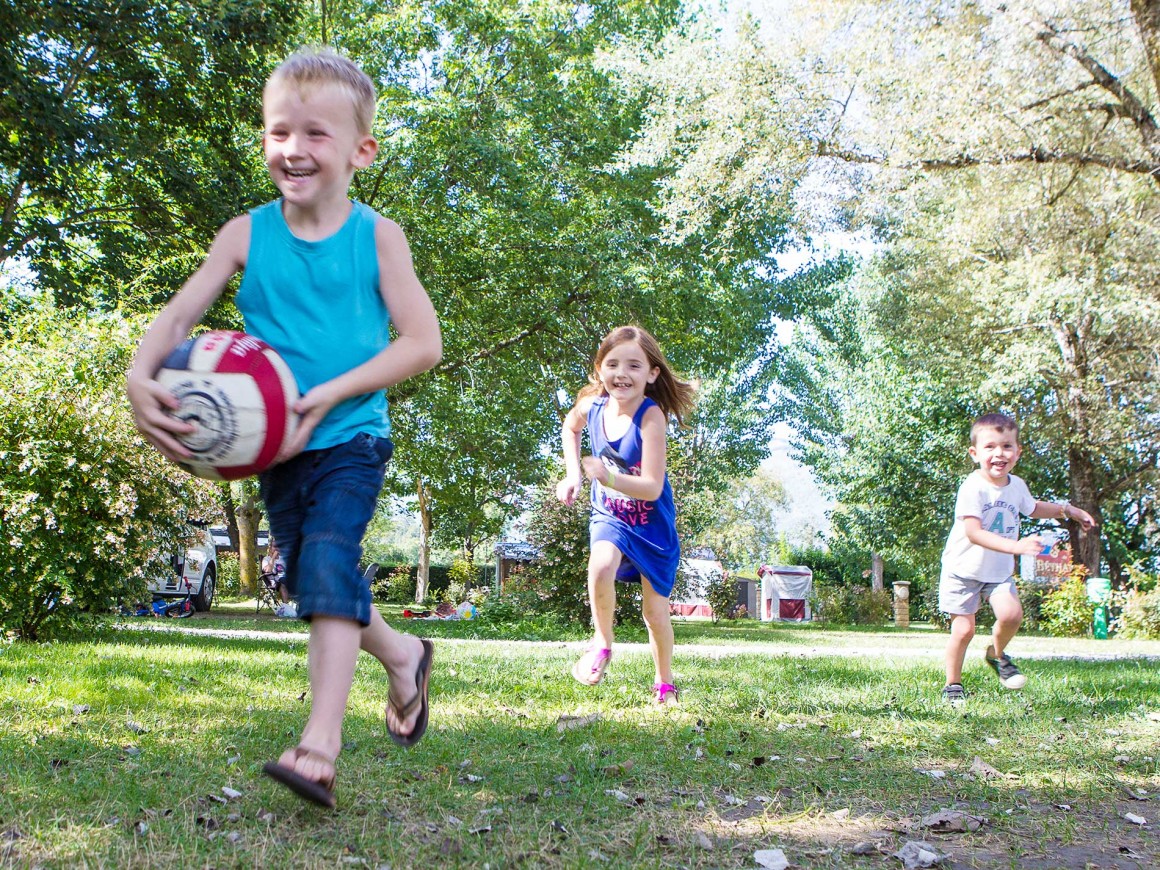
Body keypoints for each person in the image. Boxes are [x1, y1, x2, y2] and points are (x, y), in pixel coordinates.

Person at [126, 47, 442, 807]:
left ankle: (319, 745)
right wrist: (141, 373)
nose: (293, 149)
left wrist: (324, 396)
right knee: (311, 579)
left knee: (329, 558)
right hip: (276, 449)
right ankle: (404, 656)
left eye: (315, 133)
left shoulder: (378, 236)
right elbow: (179, 314)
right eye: (278, 132)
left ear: (362, 151)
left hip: (351, 434)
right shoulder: (244, 234)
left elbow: (422, 343)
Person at [556, 326, 696, 705]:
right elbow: (570, 427)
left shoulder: (651, 418)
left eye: (634, 365)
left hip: (652, 527)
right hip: (612, 516)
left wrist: (608, 477)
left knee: (655, 613)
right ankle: (601, 644)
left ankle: (664, 683)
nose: (622, 373)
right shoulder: (592, 407)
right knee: (600, 565)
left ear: (652, 373)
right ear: (599, 369)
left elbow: (651, 486)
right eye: (613, 364)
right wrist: (573, 474)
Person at [939, 413, 1096, 703]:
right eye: (990, 447)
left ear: (1018, 452)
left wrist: (1069, 510)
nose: (999, 453)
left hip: (997, 572)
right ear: (974, 453)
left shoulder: (1016, 485)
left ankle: (997, 655)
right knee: (963, 630)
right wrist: (1016, 547)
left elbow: (1033, 508)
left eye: (1007, 446)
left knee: (1012, 615)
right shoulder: (973, 487)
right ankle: (953, 685)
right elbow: (974, 533)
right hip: (962, 570)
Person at [263, 536, 296, 618]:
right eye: (274, 546)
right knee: (283, 582)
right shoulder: (266, 559)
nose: (277, 549)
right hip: (276, 581)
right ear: (270, 548)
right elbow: (267, 570)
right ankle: (286, 608)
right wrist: (273, 557)